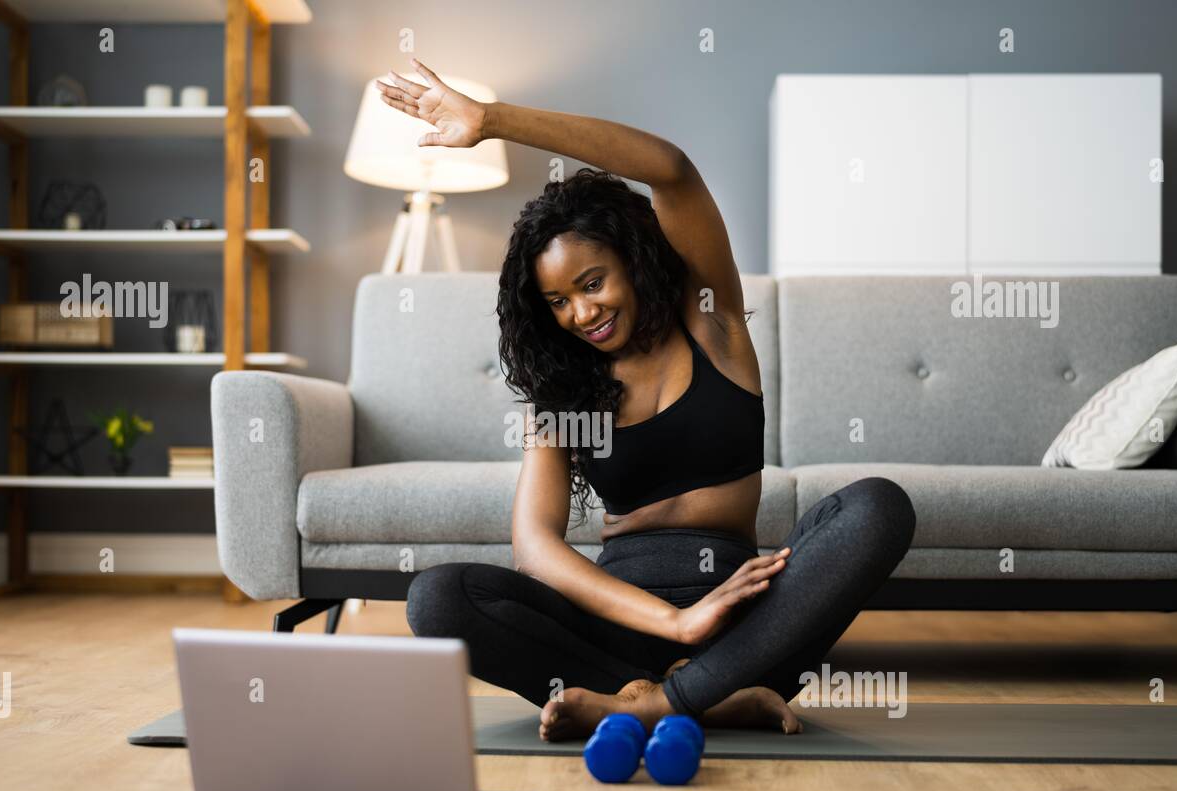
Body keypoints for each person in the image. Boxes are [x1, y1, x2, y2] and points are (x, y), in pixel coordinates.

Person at [380, 59, 917, 741]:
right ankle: (703, 698)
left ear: (633, 259)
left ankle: (661, 703)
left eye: (593, 281)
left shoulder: (710, 321)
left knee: (877, 506)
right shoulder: (565, 391)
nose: (580, 312)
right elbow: (534, 545)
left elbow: (671, 170)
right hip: (620, 633)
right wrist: (672, 622)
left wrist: (493, 122)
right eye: (558, 302)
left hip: (749, 628)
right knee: (438, 597)